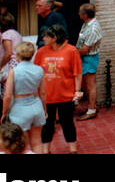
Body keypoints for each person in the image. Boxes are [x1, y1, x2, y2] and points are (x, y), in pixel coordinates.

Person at [33, 25, 81, 153]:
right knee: (47, 124)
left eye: (46, 36)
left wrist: (77, 91)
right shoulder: (41, 51)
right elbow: (36, 72)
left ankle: (73, 149)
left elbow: (77, 73)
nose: (43, 38)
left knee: (67, 123)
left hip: (65, 95)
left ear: (54, 38)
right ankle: (45, 150)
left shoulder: (71, 51)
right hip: (47, 96)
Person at [1, 41, 45, 154]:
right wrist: (44, 110)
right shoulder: (39, 69)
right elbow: (43, 93)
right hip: (36, 105)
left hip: (19, 109)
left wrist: (4, 112)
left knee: (23, 145)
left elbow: (7, 96)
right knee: (37, 142)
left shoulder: (14, 71)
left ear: (18, 55)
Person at [75, 3, 102, 119]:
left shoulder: (92, 29)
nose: (78, 14)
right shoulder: (87, 24)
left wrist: (71, 54)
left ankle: (91, 111)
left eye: (80, 12)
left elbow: (85, 49)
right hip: (84, 58)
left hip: (89, 58)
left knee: (90, 85)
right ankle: (92, 105)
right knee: (86, 84)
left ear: (85, 15)